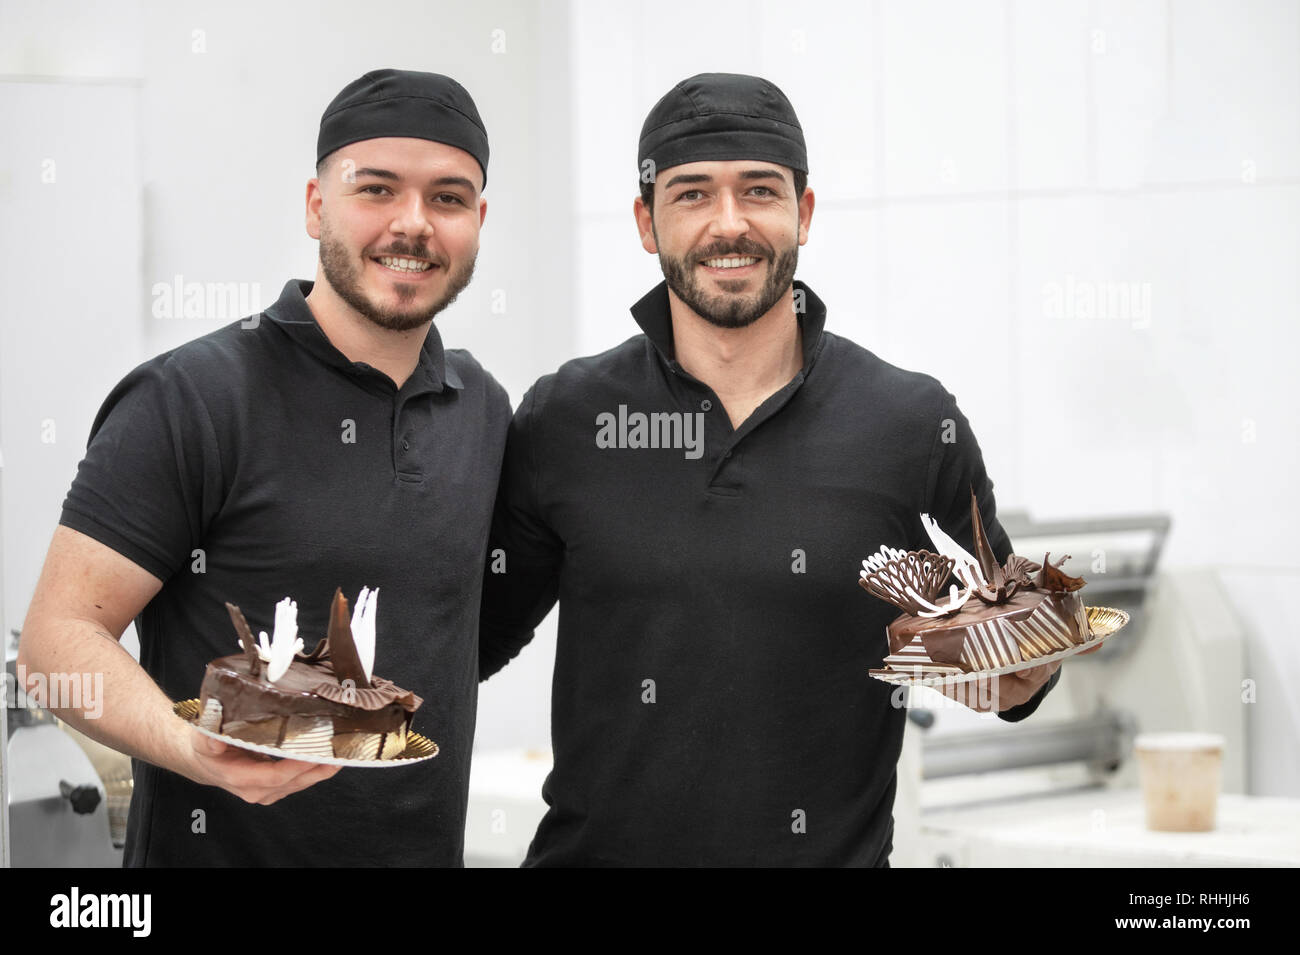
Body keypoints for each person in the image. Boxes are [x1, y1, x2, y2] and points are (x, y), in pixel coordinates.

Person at [479, 73, 1077, 867]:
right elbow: (468, 635)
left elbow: (1016, 655)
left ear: (805, 211)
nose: (730, 224)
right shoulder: (566, 417)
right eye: (692, 194)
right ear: (645, 221)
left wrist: (1023, 664)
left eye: (759, 190)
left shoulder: (908, 422)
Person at [18, 69, 510, 866]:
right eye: (376, 189)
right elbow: (55, 640)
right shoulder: (195, 397)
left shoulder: (482, 408)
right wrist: (191, 747)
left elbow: (459, 628)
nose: (413, 224)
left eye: (448, 198)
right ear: (317, 204)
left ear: (478, 221)